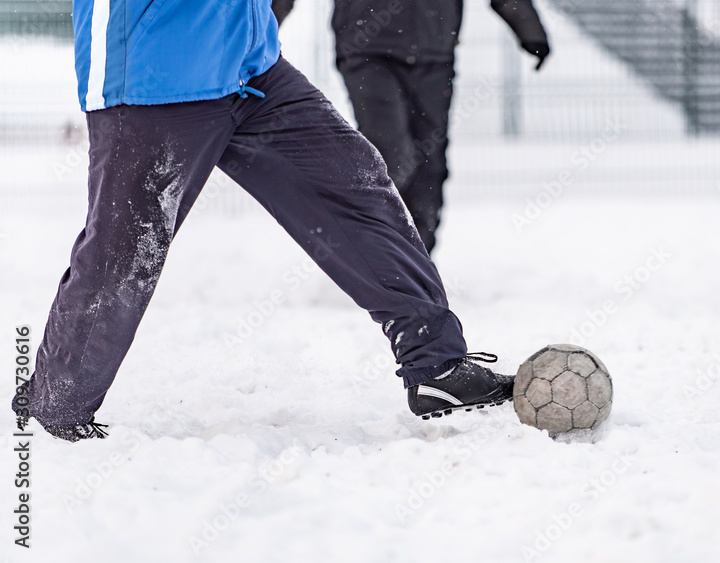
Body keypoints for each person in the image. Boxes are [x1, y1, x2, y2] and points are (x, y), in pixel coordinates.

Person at [12, 0, 512, 442]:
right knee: (126, 252)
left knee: (354, 184)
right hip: (156, 68)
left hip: (251, 66)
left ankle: (435, 364)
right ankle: (57, 405)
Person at [274, 0, 550, 253]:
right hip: (368, 48)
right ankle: (370, 251)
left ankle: (416, 263)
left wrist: (529, 29)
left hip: (434, 51)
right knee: (389, 155)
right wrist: (261, 32)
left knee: (429, 165)